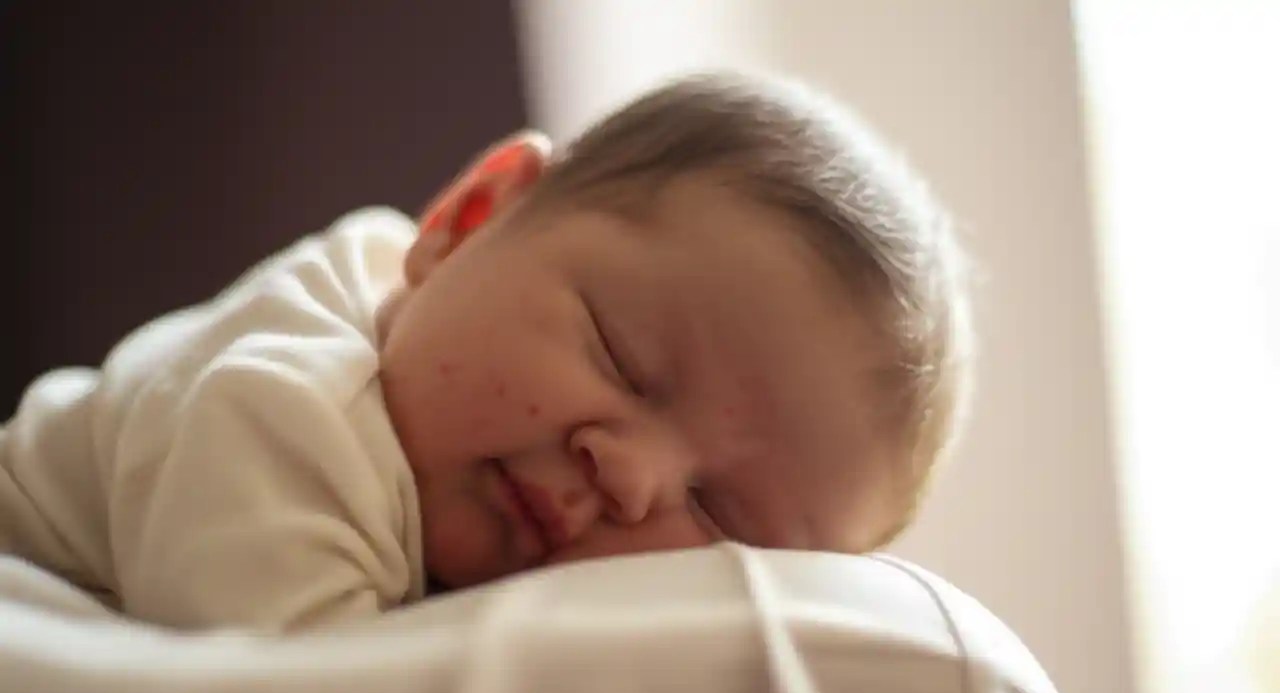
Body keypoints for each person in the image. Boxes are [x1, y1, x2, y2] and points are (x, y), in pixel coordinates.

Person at [0, 73, 971, 631]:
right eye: (622, 360)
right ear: (468, 219)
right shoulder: (281, 415)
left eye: (718, 514)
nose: (629, 476)